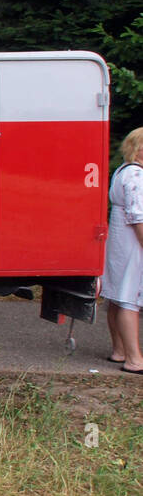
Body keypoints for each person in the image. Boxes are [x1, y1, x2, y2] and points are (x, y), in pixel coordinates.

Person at [103, 127, 143, 373]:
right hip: (132, 244)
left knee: (117, 297)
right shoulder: (138, 176)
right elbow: (138, 217)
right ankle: (134, 359)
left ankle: (119, 351)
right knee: (131, 299)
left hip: (118, 243)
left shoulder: (121, 172)